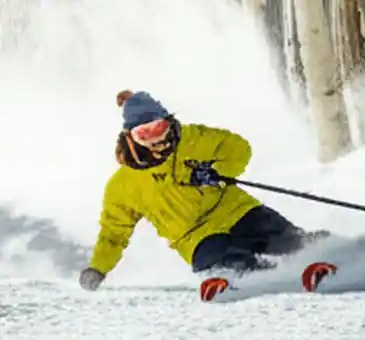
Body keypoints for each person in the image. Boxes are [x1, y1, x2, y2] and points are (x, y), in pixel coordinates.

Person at [78, 90, 327, 292]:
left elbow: (238, 148)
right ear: (130, 136)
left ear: (168, 122)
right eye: (144, 133)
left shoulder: (192, 138)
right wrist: (99, 268)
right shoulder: (123, 185)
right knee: (226, 258)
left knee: (284, 238)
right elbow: (114, 233)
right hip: (195, 237)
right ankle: (259, 279)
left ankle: (327, 259)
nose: (156, 139)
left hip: (236, 211)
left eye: (159, 128)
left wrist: (216, 171)